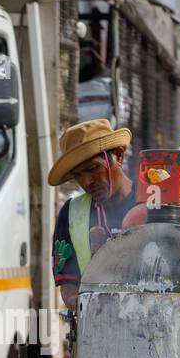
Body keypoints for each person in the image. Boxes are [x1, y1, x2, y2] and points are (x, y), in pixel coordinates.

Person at [46, 119, 138, 310]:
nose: (87, 181)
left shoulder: (152, 203)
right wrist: (93, 306)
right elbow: (69, 289)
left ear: (119, 156)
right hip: (97, 329)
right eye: (78, 175)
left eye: (92, 168)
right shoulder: (72, 213)